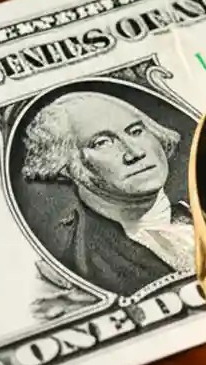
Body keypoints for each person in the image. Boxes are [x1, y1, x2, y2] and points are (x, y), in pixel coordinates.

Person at [21, 91, 194, 296]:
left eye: (136, 131)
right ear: (65, 166)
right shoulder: (77, 267)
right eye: (102, 142)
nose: (135, 153)